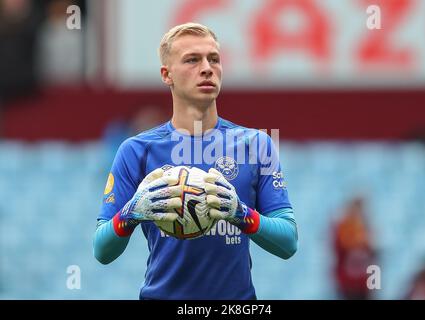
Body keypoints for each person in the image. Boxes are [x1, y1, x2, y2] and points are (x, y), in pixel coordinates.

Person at [93, 22, 298, 300]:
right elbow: (102, 249)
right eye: (192, 60)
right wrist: (131, 213)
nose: (206, 68)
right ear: (167, 75)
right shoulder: (136, 150)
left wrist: (241, 214)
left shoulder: (256, 145)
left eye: (214, 59)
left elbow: (289, 242)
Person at [332, 196, 376, 299]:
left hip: (365, 287)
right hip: (348, 286)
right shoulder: (342, 230)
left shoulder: (368, 232)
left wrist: (375, 286)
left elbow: (374, 262)